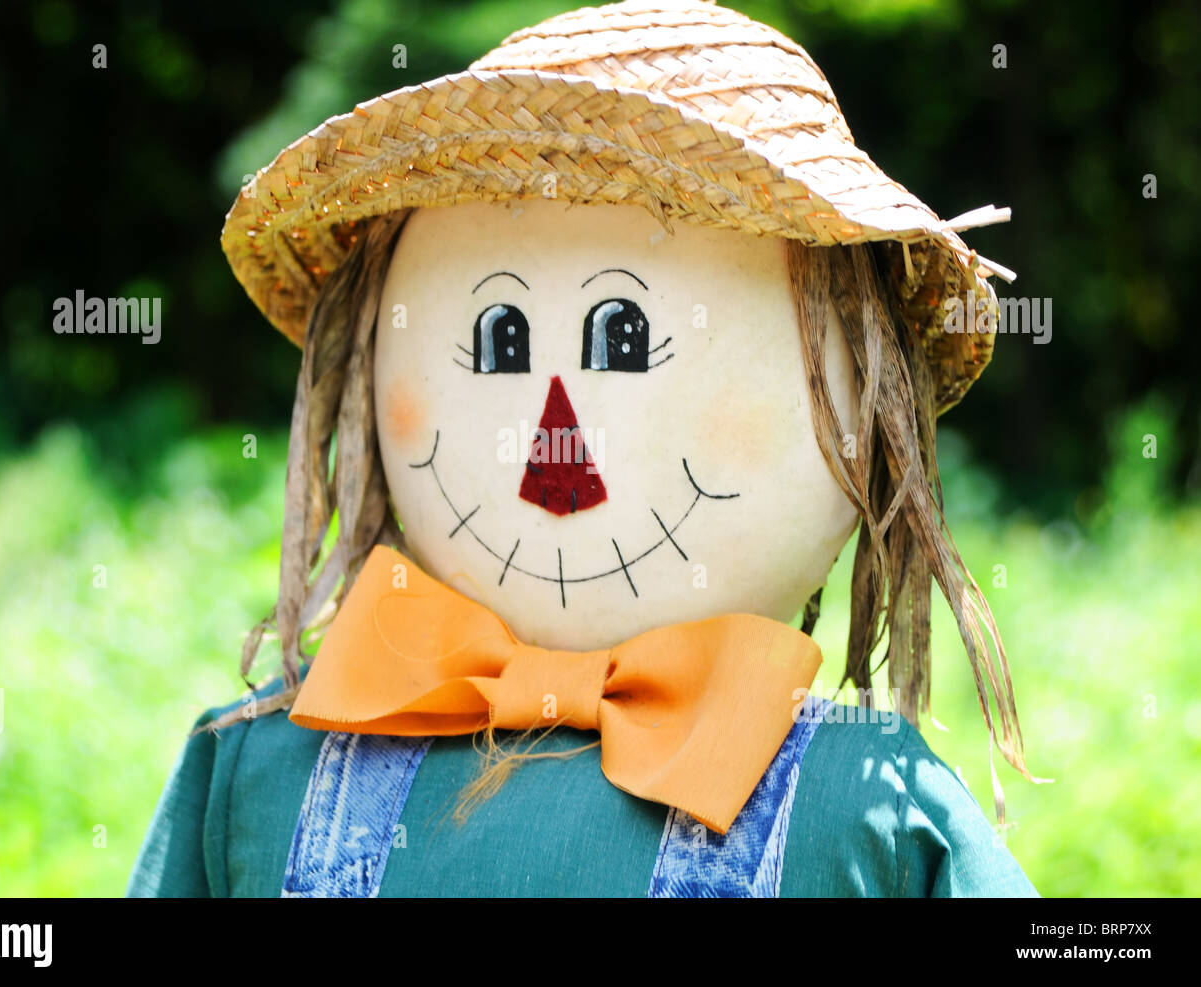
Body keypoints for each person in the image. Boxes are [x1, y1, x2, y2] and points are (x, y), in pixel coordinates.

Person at [129, 0, 1038, 898]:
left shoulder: (871, 814)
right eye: (503, 339)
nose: (554, 429)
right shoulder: (251, 774)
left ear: (866, 410)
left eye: (626, 339)